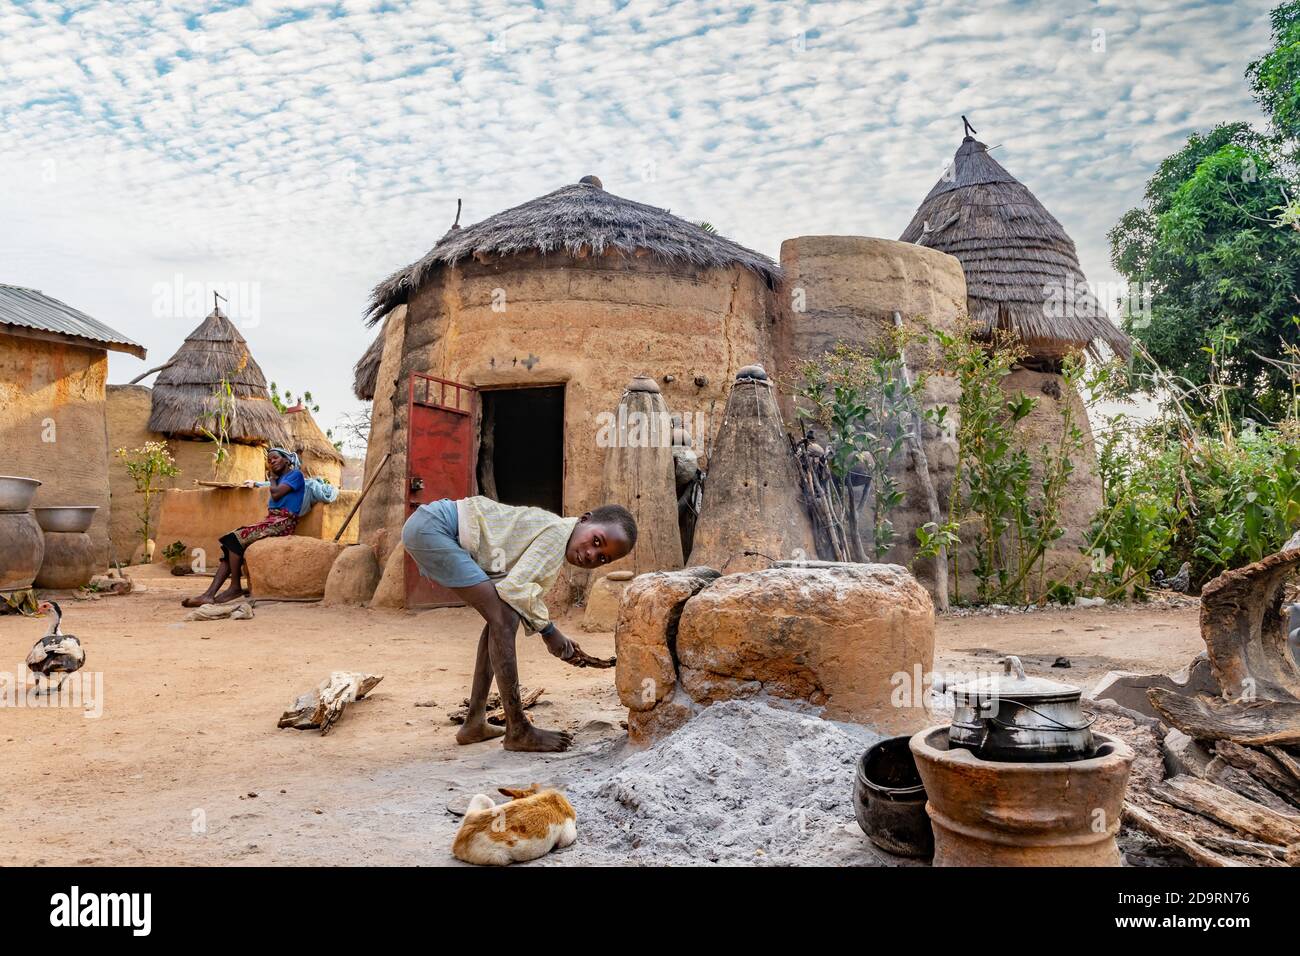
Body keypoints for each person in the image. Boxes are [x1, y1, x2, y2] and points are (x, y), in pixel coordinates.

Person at [402, 495, 636, 752]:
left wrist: (550, 632)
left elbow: (513, 596)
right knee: (503, 618)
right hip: (435, 528)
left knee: (502, 617)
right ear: (584, 519)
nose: (592, 554)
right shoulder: (558, 535)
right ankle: (518, 728)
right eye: (596, 541)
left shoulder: (556, 534)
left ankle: (475, 723)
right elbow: (516, 591)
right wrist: (550, 633)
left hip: (428, 525)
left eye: (602, 558)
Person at [181, 448, 305, 607]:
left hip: (283, 522)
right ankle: (208, 595)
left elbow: (276, 494)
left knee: (235, 538)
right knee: (230, 544)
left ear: (287, 461)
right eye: (269, 460)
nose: (271, 461)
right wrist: (273, 479)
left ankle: (234, 586)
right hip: (271, 520)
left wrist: (272, 478)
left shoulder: (295, 475)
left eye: (275, 458)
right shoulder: (281, 479)